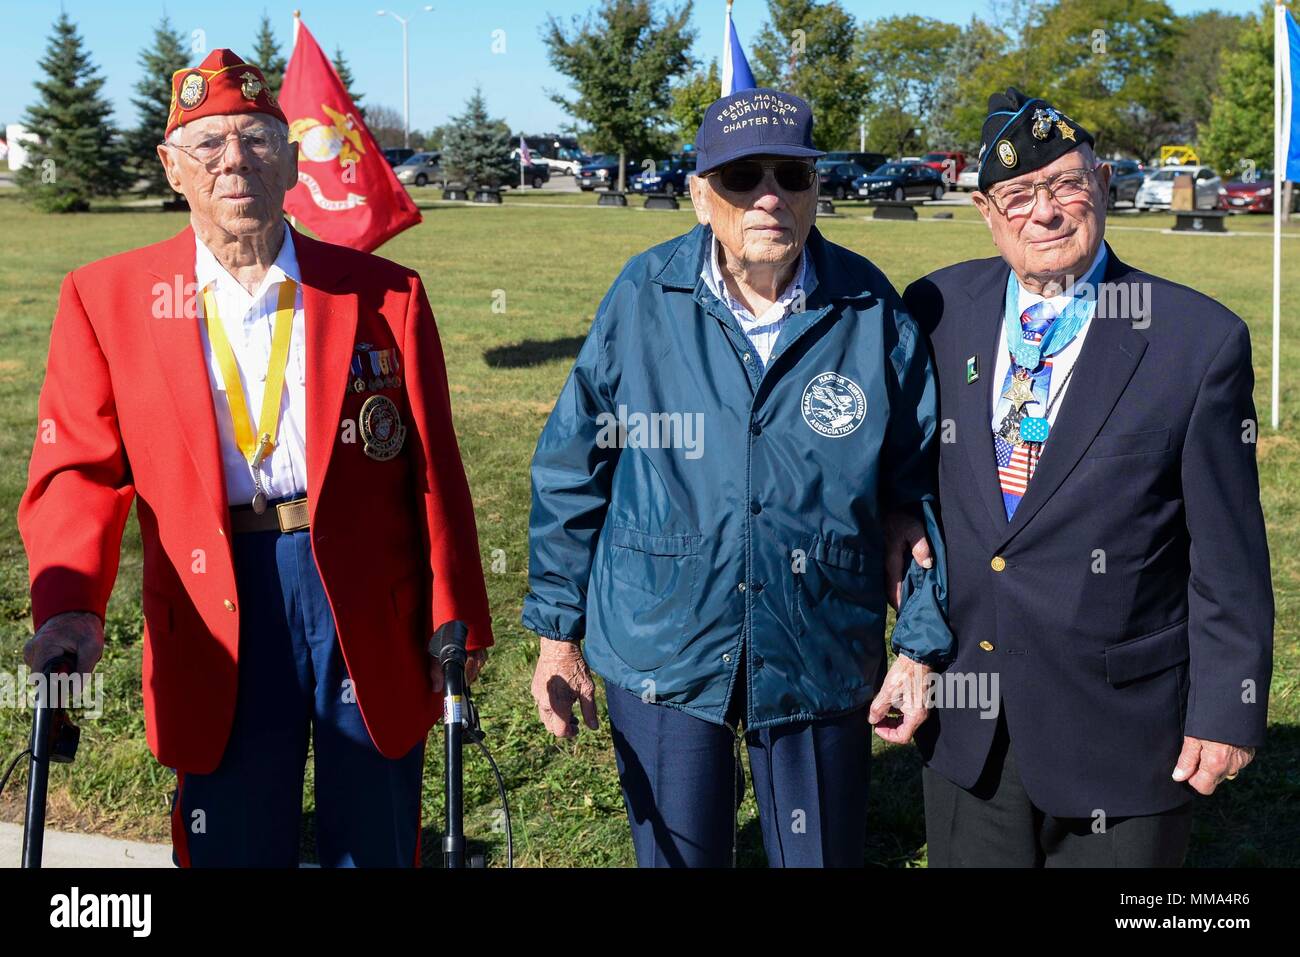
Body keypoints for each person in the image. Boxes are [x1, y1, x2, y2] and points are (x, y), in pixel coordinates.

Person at [17, 49, 493, 867]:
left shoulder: (384, 292)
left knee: (377, 835)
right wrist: (68, 607)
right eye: (208, 143)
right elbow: (79, 472)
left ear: (293, 160)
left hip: (358, 594)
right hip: (213, 601)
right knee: (231, 837)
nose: (234, 159)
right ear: (172, 167)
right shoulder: (106, 298)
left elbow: (433, 469)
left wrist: (457, 610)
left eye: (258, 138)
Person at [523, 88, 952, 867]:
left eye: (791, 175)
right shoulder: (643, 296)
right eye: (741, 176)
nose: (768, 196)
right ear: (699, 194)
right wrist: (557, 635)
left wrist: (918, 646)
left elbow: (920, 492)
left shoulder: (871, 310)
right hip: (663, 635)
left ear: (816, 189)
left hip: (818, 636)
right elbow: (571, 466)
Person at [901, 88, 1273, 867]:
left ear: (1102, 184)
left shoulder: (1195, 341)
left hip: (1123, 732)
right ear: (986, 210)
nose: (1045, 212)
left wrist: (1226, 710)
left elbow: (1229, 556)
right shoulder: (938, 309)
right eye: (1018, 195)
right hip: (970, 720)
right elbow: (912, 479)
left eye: (1066, 184)